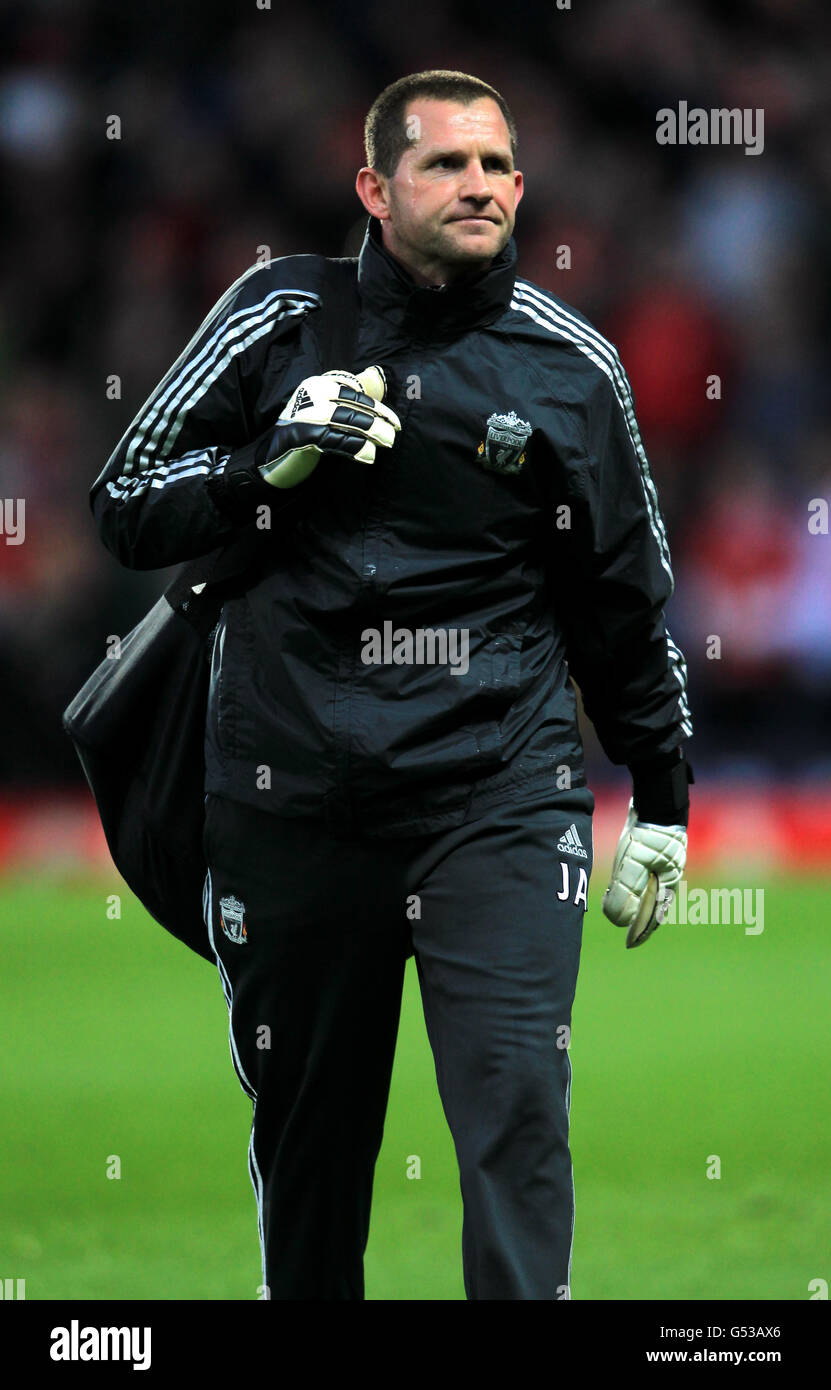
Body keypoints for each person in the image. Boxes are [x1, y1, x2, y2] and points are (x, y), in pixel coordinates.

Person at [89, 69, 693, 1301]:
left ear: (522, 187)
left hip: (499, 790)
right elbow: (124, 501)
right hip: (290, 790)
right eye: (443, 164)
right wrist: (271, 464)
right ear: (373, 188)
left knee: (518, 1102)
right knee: (312, 1149)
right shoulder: (274, 317)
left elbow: (623, 603)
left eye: (496, 166)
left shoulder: (571, 370)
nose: (478, 186)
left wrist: (667, 795)